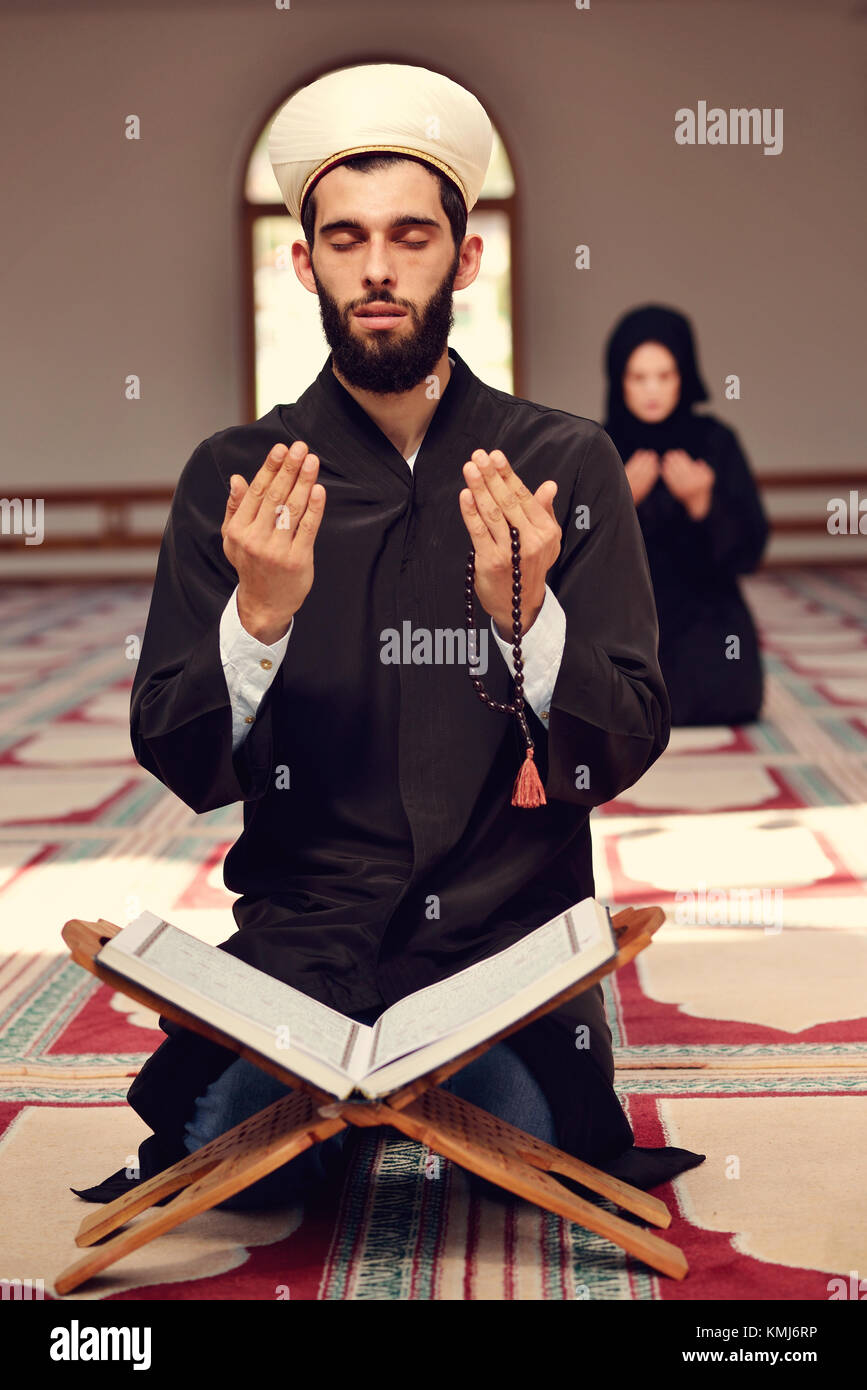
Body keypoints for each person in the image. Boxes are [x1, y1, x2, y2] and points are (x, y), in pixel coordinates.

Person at [74, 65, 703, 1212]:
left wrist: (530, 613)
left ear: (464, 259)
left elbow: (625, 738)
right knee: (240, 1161)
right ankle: (316, 1086)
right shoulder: (240, 479)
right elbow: (182, 756)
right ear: (303, 262)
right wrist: (256, 617)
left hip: (501, 954)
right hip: (305, 943)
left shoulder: (564, 466)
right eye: (346, 238)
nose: (377, 269)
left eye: (411, 237)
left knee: (514, 1145)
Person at [603, 305, 769, 727]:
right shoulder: (598, 445)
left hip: (705, 616)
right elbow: (572, 560)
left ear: (686, 376)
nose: (652, 390)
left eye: (665, 375)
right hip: (626, 618)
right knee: (607, 698)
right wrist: (621, 502)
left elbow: (750, 552)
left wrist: (703, 505)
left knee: (723, 692)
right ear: (619, 380)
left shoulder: (715, 442)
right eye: (639, 377)